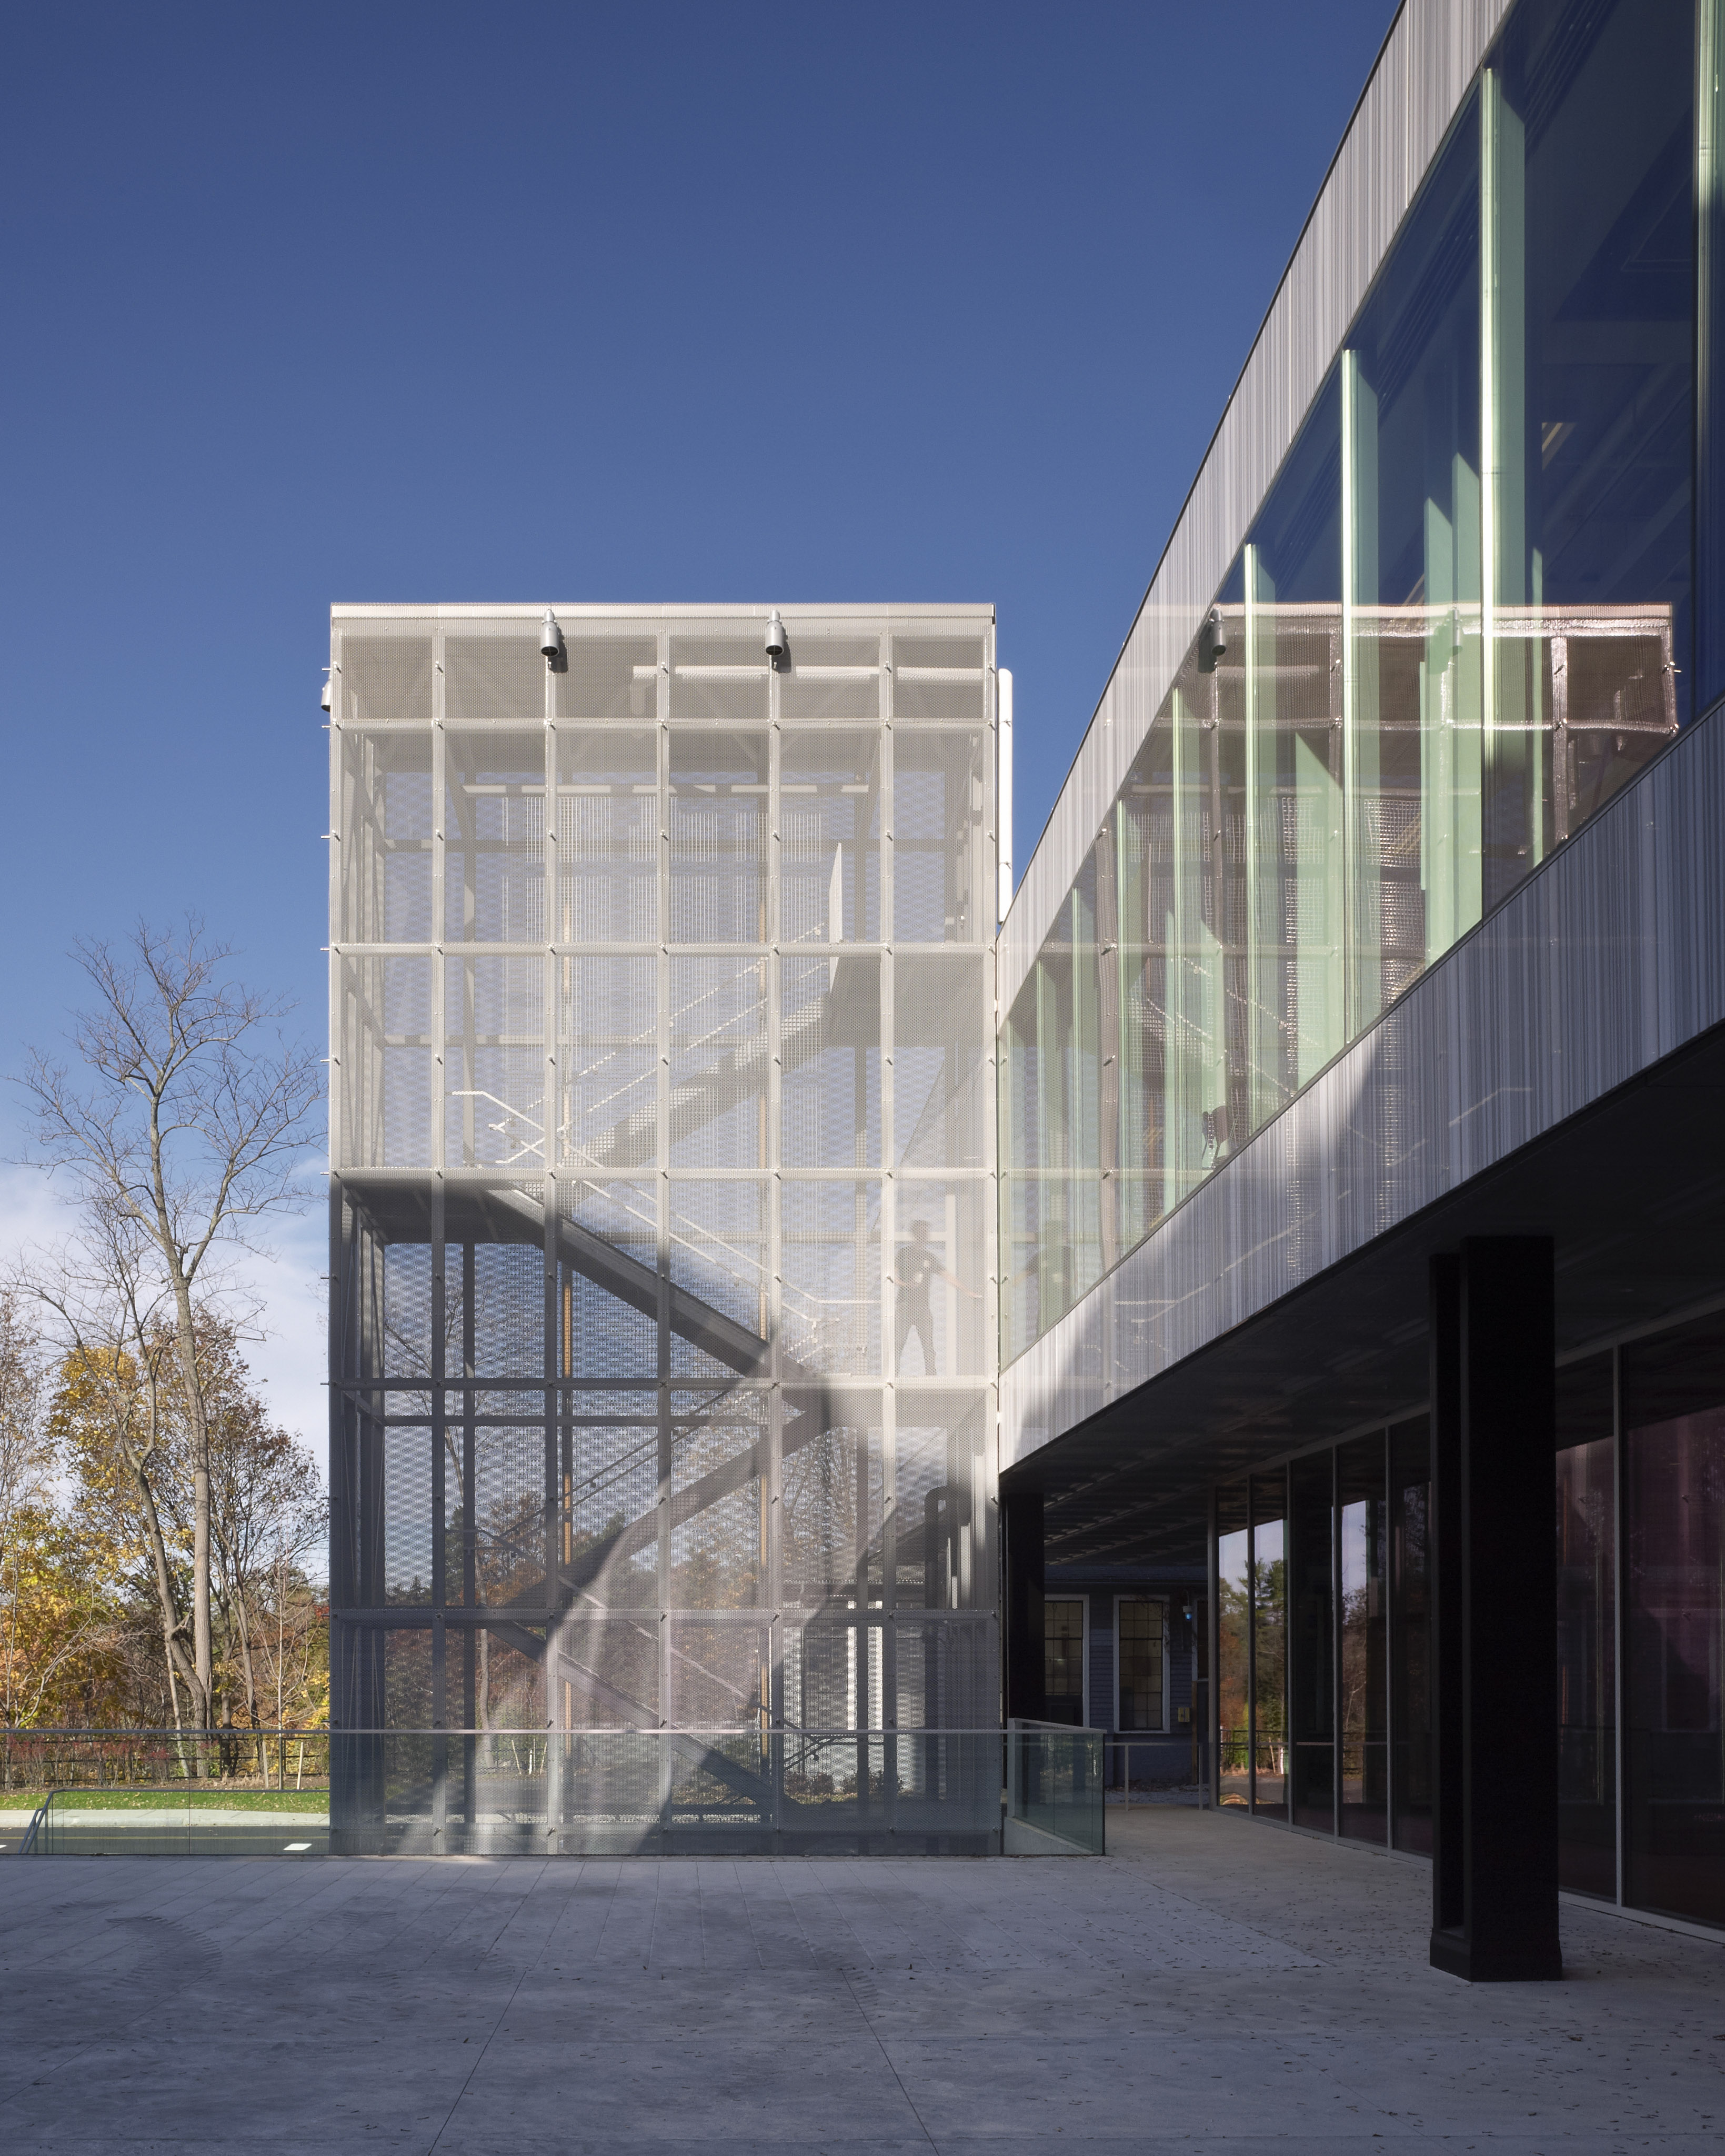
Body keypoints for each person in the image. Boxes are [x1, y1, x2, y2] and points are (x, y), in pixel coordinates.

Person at [892, 1219, 979, 1375]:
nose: (924, 1236)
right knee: (898, 1344)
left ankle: (931, 1376)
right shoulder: (904, 1253)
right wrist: (906, 1284)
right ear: (915, 1234)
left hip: (923, 1307)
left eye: (926, 1233)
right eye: (921, 1232)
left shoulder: (929, 1257)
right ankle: (893, 1377)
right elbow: (892, 1276)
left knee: (928, 1346)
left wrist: (968, 1292)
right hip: (904, 1306)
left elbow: (948, 1276)